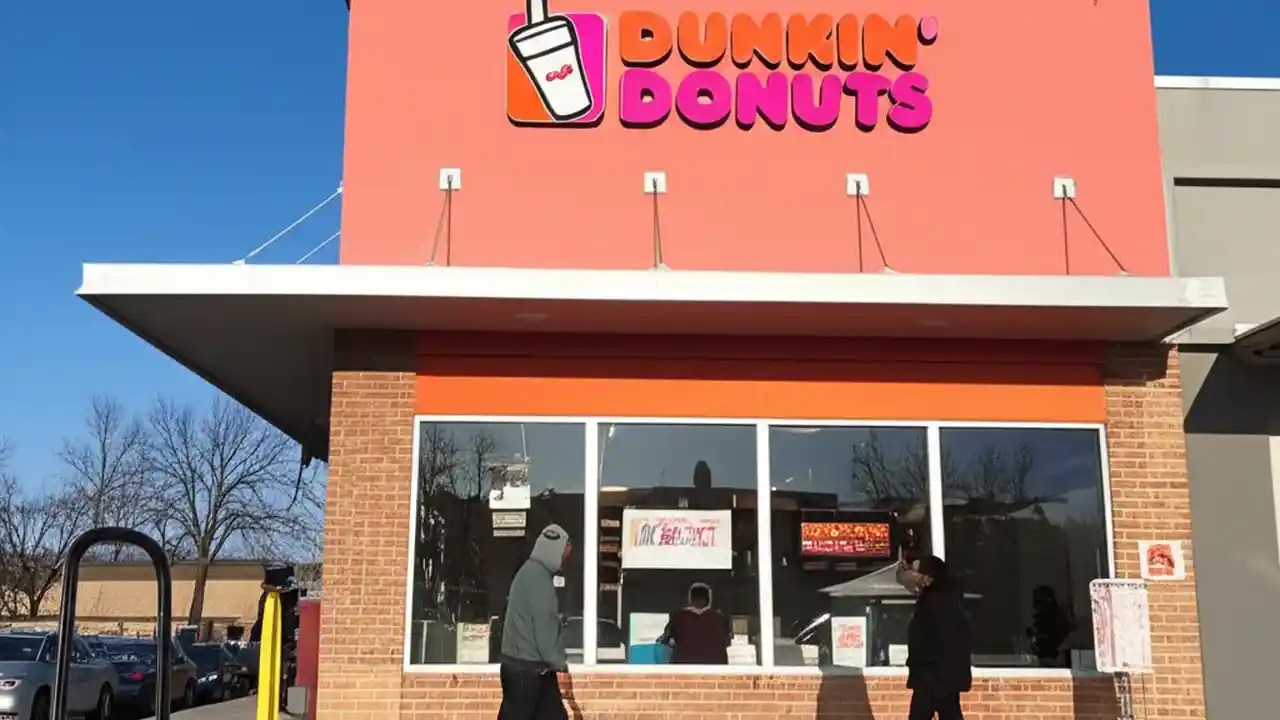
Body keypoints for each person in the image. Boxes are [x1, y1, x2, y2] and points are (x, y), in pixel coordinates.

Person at [499, 524, 572, 720]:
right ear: (554, 550)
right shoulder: (539, 580)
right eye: (565, 552)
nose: (566, 558)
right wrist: (560, 665)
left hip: (529, 668)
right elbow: (545, 629)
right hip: (526, 671)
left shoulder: (529, 572)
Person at [901, 555, 972, 720]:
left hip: (935, 677)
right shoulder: (943, 597)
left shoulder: (938, 600)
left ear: (930, 576)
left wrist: (930, 675)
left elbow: (945, 640)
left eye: (921, 574)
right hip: (938, 677)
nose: (918, 578)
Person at [660, 582, 731, 664]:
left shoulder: (679, 617)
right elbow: (727, 641)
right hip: (715, 667)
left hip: (684, 666)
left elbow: (666, 640)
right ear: (708, 599)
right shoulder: (719, 618)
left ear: (690, 599)